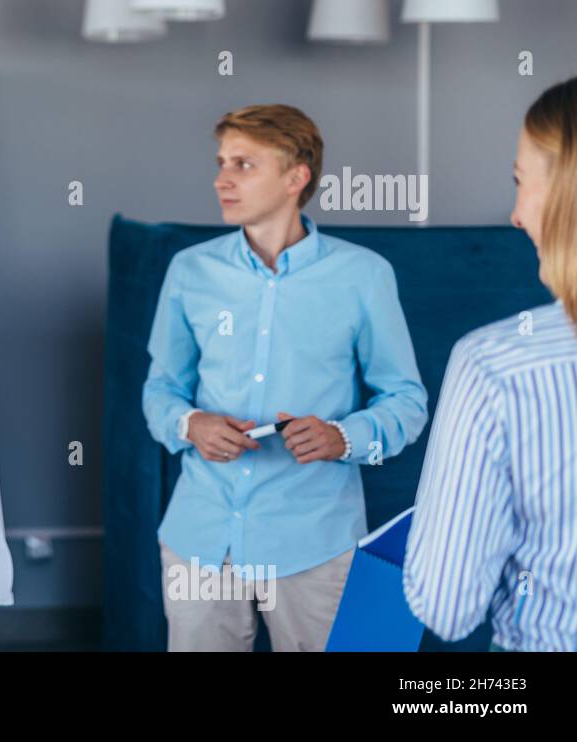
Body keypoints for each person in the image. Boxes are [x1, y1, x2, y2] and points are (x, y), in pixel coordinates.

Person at [143, 104, 428, 651]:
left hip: (314, 540)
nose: (221, 179)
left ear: (297, 177)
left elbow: (406, 399)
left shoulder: (363, 276)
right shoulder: (190, 271)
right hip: (199, 536)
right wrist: (191, 424)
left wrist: (342, 437)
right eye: (221, 161)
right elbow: (160, 390)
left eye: (244, 164)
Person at [405, 77, 577, 652]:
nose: (515, 214)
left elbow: (446, 606)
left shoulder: (494, 367)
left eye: (520, 183)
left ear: (563, 195)